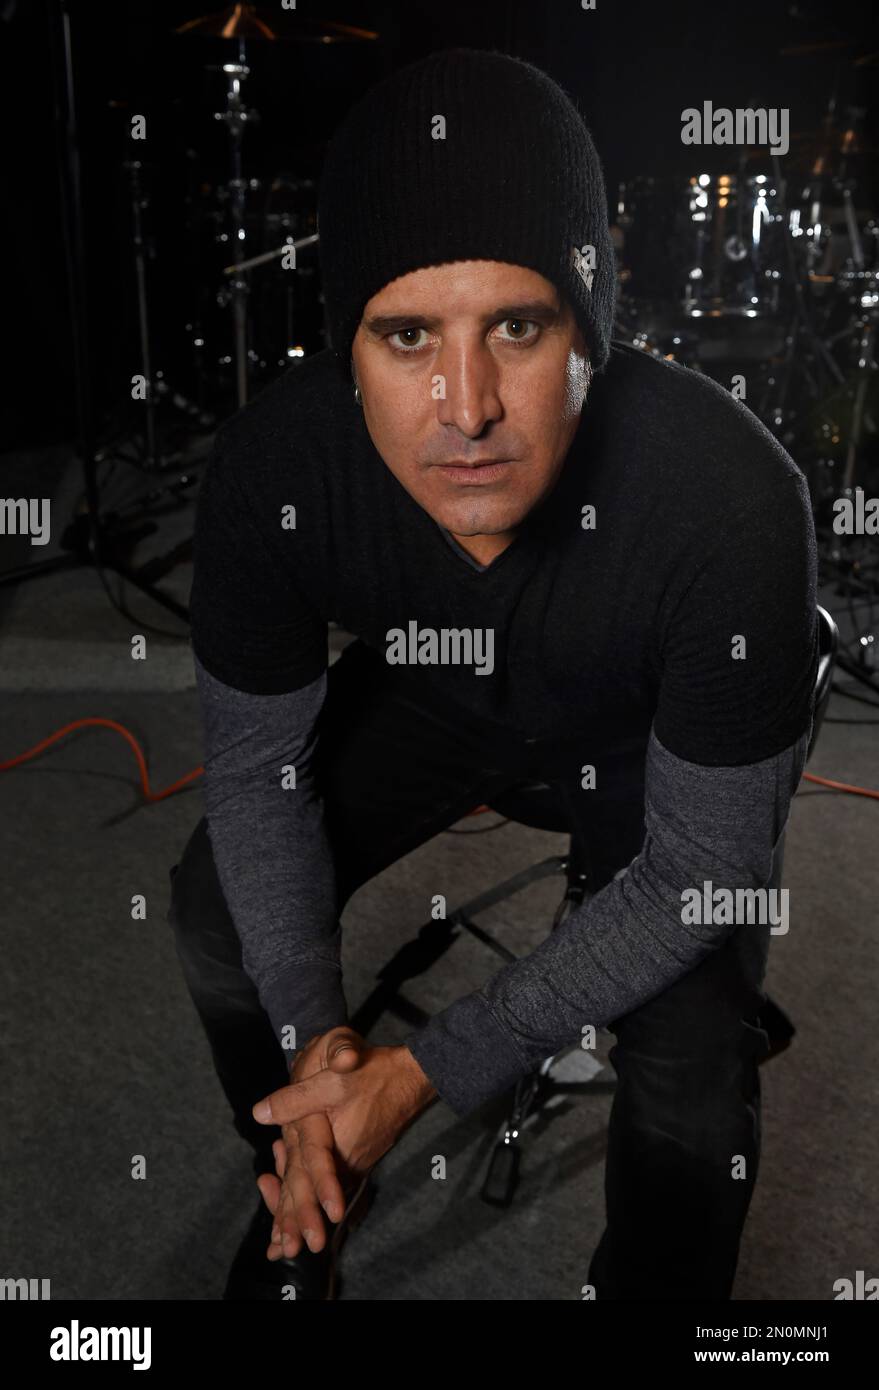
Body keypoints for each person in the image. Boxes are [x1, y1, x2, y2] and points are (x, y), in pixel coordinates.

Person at [167, 47, 818, 1301]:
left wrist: (424, 1072)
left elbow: (705, 867)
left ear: (594, 328)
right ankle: (306, 1171)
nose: (464, 407)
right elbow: (259, 773)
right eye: (406, 334)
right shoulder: (271, 473)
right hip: (439, 691)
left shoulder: (730, 500)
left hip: (649, 743)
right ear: (346, 347)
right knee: (214, 913)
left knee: (688, 1083)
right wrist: (326, 1052)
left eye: (516, 326)